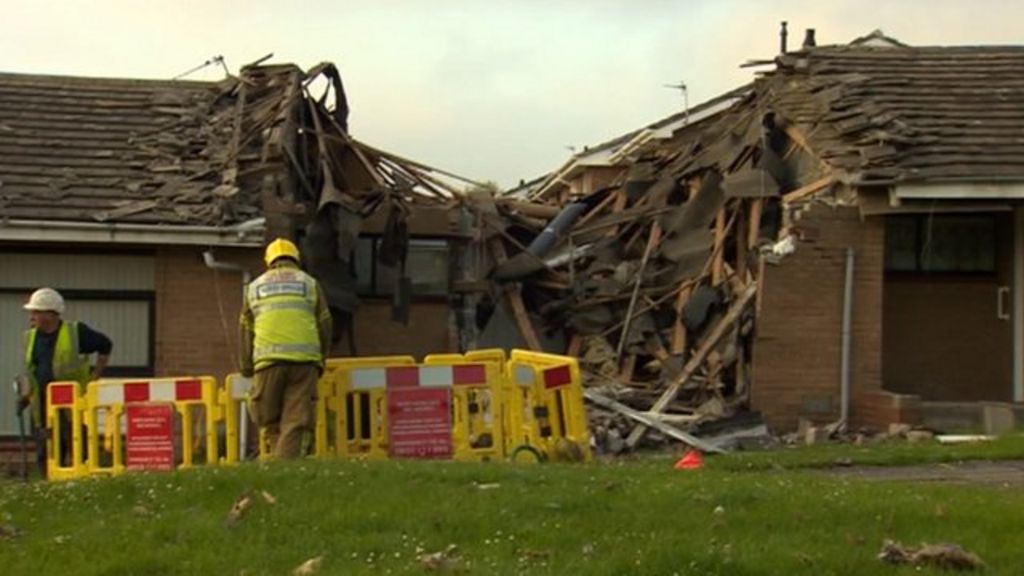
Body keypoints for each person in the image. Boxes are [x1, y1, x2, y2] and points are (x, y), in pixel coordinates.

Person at [240, 238, 332, 459]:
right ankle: (284, 466)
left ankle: (281, 469)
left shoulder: (254, 288)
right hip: (304, 363)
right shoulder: (310, 284)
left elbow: (245, 330)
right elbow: (325, 323)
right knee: (295, 420)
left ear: (269, 261)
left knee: (267, 416)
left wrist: (246, 366)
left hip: (267, 363)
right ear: (296, 259)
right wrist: (321, 359)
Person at [21, 287, 112, 477]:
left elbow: (105, 345)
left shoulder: (76, 332)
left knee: (77, 445)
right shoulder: (30, 337)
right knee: (46, 450)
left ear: (50, 314)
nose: (31, 316)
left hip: (72, 404)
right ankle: (49, 484)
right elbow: (32, 371)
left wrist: (95, 376)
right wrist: (26, 396)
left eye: (35, 312)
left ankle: (83, 480)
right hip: (42, 405)